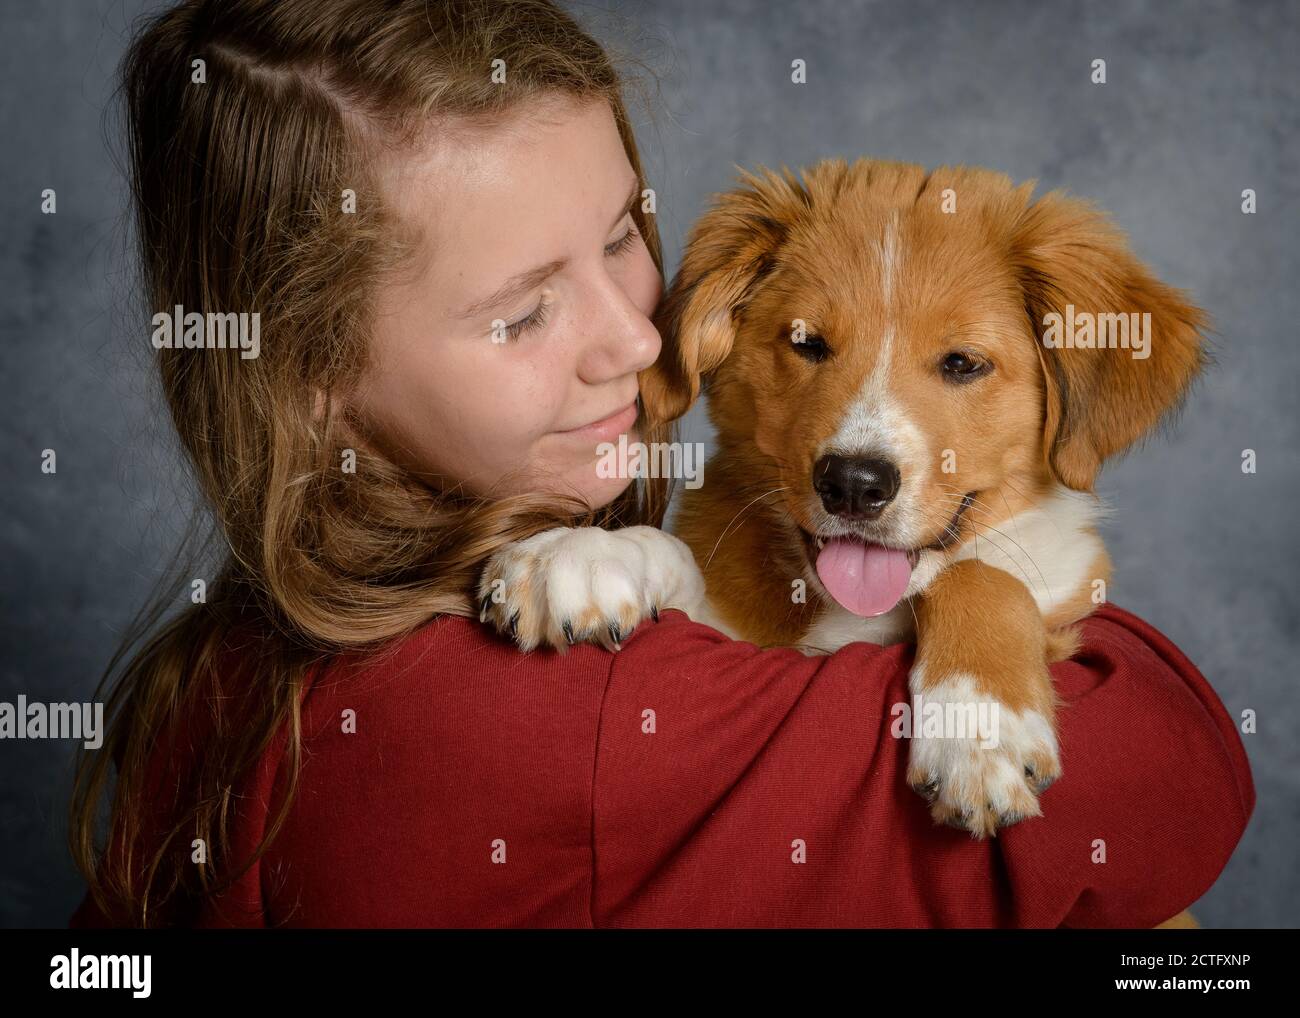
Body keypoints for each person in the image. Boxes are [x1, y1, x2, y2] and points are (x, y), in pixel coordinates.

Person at [68, 0, 1252, 929]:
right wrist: (1006, 624)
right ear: (312, 364)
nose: (641, 338)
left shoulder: (227, 664)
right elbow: (1171, 781)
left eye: (626, 233)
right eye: (521, 312)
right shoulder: (587, 734)